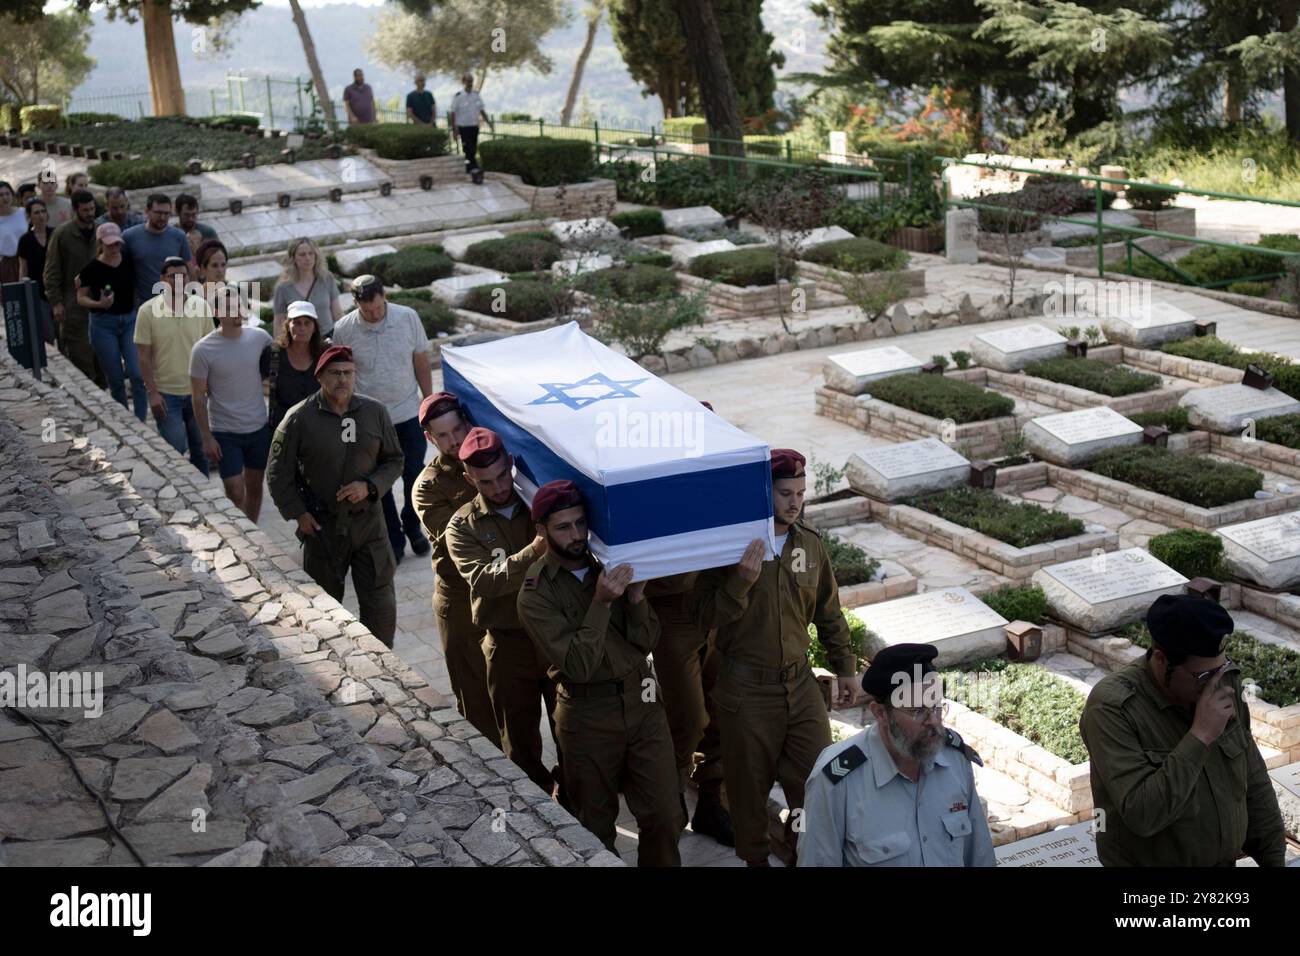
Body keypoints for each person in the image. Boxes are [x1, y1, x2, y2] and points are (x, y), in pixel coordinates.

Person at [692, 448, 857, 866]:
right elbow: (702, 615)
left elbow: (829, 611)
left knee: (820, 783)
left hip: (800, 685)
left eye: (800, 493)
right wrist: (740, 583)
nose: (794, 502)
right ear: (765, 493)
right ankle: (757, 860)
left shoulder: (811, 546)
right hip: (746, 690)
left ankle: (808, 855)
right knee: (748, 792)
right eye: (785, 493)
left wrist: (846, 670)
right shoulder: (730, 547)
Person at [518, 479, 683, 866]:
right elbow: (578, 665)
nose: (576, 535)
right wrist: (602, 603)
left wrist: (638, 599)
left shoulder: (609, 564)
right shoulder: (535, 593)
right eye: (563, 527)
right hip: (588, 716)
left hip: (642, 703)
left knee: (665, 814)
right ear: (541, 531)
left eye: (580, 523)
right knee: (595, 827)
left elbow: (646, 641)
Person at [1079, 594, 1285, 867]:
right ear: (1162, 660)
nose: (1214, 685)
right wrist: (1200, 736)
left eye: (1221, 669)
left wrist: (1275, 861)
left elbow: (1254, 782)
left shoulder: (1223, 684)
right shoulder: (1112, 708)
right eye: (1202, 677)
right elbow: (1142, 813)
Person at [798, 643, 996, 867]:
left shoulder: (955, 760)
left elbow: (979, 856)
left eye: (936, 706)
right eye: (918, 710)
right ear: (881, 713)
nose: (933, 720)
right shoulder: (836, 781)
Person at [445, 427, 558, 795]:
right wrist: (534, 551)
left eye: (500, 477)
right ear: (468, 479)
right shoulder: (462, 526)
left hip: (555, 638)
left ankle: (578, 803)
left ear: (510, 464)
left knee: (573, 734)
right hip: (508, 645)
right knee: (521, 747)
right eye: (484, 482)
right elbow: (484, 581)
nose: (497, 488)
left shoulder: (538, 503)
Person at [267, 345, 403, 646]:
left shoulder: (374, 412)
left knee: (381, 606)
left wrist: (369, 486)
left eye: (348, 373)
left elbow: (394, 460)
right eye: (334, 373)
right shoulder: (298, 418)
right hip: (322, 528)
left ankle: (384, 669)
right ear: (320, 376)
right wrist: (298, 513)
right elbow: (278, 474)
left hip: (369, 525)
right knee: (326, 612)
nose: (342, 379)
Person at [411, 392, 500, 747]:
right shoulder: (428, 487)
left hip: (503, 595)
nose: (455, 441)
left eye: (458, 429)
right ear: (430, 439)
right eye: (443, 435)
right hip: (462, 603)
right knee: (477, 702)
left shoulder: (491, 460)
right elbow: (464, 544)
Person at [331, 274, 431, 563]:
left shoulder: (408, 317)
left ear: (384, 296)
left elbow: (420, 360)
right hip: (368, 419)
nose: (373, 315)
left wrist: (429, 400)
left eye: (377, 308)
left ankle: (413, 526)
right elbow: (340, 374)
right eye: (367, 311)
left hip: (408, 413)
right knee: (379, 483)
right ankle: (394, 538)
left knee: (415, 473)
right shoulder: (344, 330)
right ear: (356, 304)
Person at [190, 287, 273, 522]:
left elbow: (278, 366)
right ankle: (242, 530)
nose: (236, 310)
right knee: (235, 491)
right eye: (229, 306)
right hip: (225, 433)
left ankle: (252, 531)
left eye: (239, 305)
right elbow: (197, 396)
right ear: (217, 312)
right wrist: (206, 437)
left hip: (257, 428)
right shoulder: (203, 350)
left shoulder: (259, 338)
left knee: (255, 486)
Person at [135, 255, 214, 476]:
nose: (178, 281)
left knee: (201, 451)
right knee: (175, 451)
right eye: (172, 276)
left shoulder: (201, 306)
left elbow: (211, 349)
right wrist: (152, 393)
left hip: (198, 393)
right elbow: (143, 357)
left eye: (183, 276)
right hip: (167, 395)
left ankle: (205, 497)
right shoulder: (147, 311)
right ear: (162, 279)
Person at [76, 222, 145, 421]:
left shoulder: (128, 261)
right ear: (100, 244)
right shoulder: (91, 268)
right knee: (115, 378)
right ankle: (124, 416)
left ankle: (140, 418)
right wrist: (99, 303)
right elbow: (80, 296)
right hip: (103, 323)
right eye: (109, 244)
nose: (114, 248)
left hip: (130, 320)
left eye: (117, 244)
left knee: (137, 374)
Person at [42, 188, 100, 380]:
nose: (90, 213)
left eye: (92, 209)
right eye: (85, 210)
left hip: (102, 304)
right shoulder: (63, 234)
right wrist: (56, 302)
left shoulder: (102, 231)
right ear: (75, 210)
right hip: (73, 305)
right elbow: (51, 271)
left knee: (102, 359)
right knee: (81, 357)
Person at [261, 300, 325, 435]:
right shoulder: (274, 354)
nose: (302, 328)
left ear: (314, 327)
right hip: (281, 429)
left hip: (316, 430)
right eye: (297, 322)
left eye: (307, 323)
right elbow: (255, 384)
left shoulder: (324, 354)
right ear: (288, 325)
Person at [123, 194, 191, 308]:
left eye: (166, 213)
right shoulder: (130, 236)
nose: (163, 217)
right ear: (147, 211)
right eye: (158, 213)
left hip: (174, 303)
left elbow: (189, 270)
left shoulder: (179, 236)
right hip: (143, 305)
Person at [272, 237, 341, 339]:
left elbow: (337, 313)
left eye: (311, 253)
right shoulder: (283, 288)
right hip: (299, 342)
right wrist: (279, 347)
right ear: (293, 258)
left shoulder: (326, 279)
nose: (308, 258)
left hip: (327, 338)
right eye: (302, 254)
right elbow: (279, 321)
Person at [16, 197, 55, 344]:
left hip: (57, 290)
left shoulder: (55, 234)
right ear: (29, 216)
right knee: (47, 334)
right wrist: (23, 293)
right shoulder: (25, 240)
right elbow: (23, 268)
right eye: (36, 212)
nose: (41, 216)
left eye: (43, 211)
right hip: (38, 291)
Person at [449, 73, 494, 175]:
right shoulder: (458, 96)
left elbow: (481, 110)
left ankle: (470, 167)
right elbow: (453, 113)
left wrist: (489, 123)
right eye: (468, 81)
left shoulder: (476, 96)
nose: (470, 84)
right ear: (463, 82)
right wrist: (454, 129)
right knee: (467, 148)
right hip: (463, 127)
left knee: (473, 148)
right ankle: (473, 167)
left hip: (474, 126)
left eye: (471, 81)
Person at [0, 180, 27, 282]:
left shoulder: (23, 213)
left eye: (7, 194)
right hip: (7, 265)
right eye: (1, 195)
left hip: (27, 260)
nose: (5, 198)